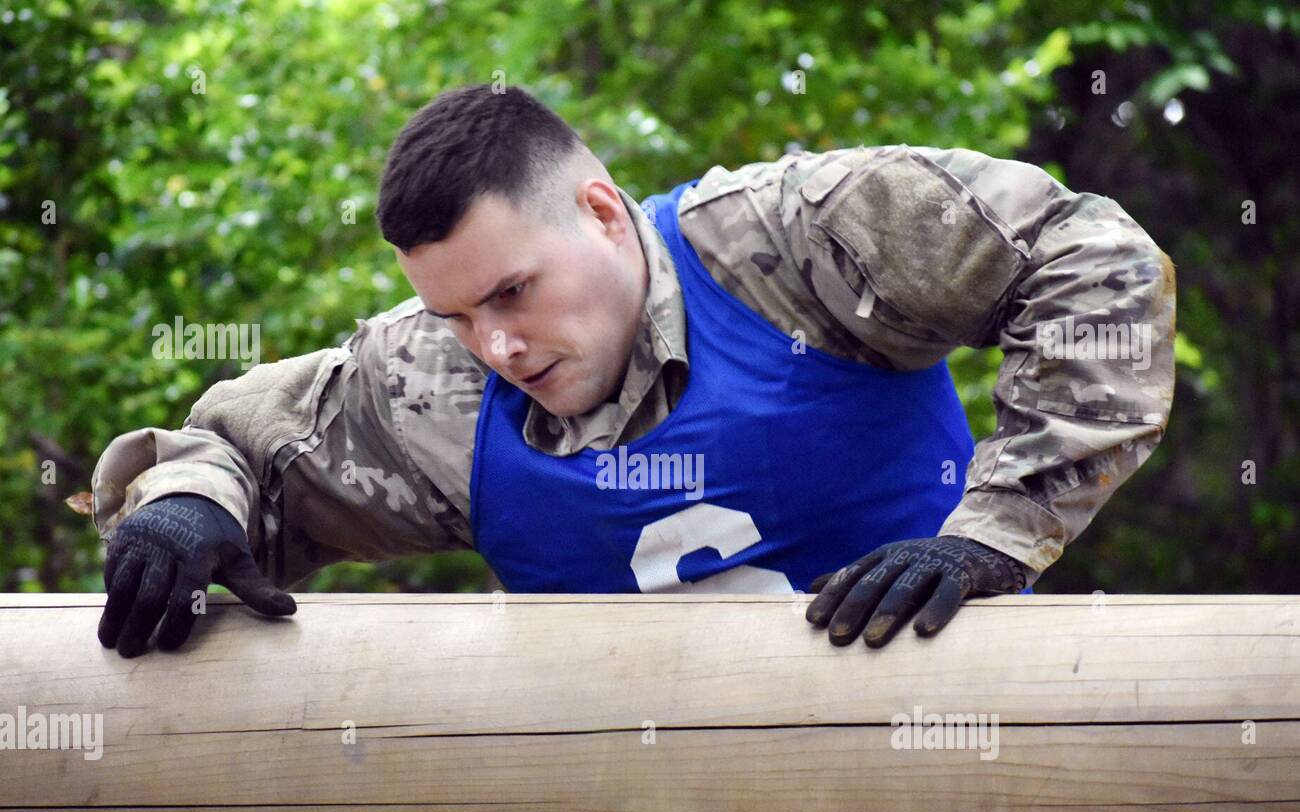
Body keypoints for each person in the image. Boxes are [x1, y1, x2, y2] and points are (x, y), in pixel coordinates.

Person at [92, 84, 1175, 658]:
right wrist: (184, 505)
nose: (496, 346)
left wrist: (994, 538)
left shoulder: (794, 245)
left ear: (603, 213)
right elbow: (232, 454)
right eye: (455, 312)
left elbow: (1094, 263)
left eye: (513, 292)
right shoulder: (439, 382)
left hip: (961, 795)